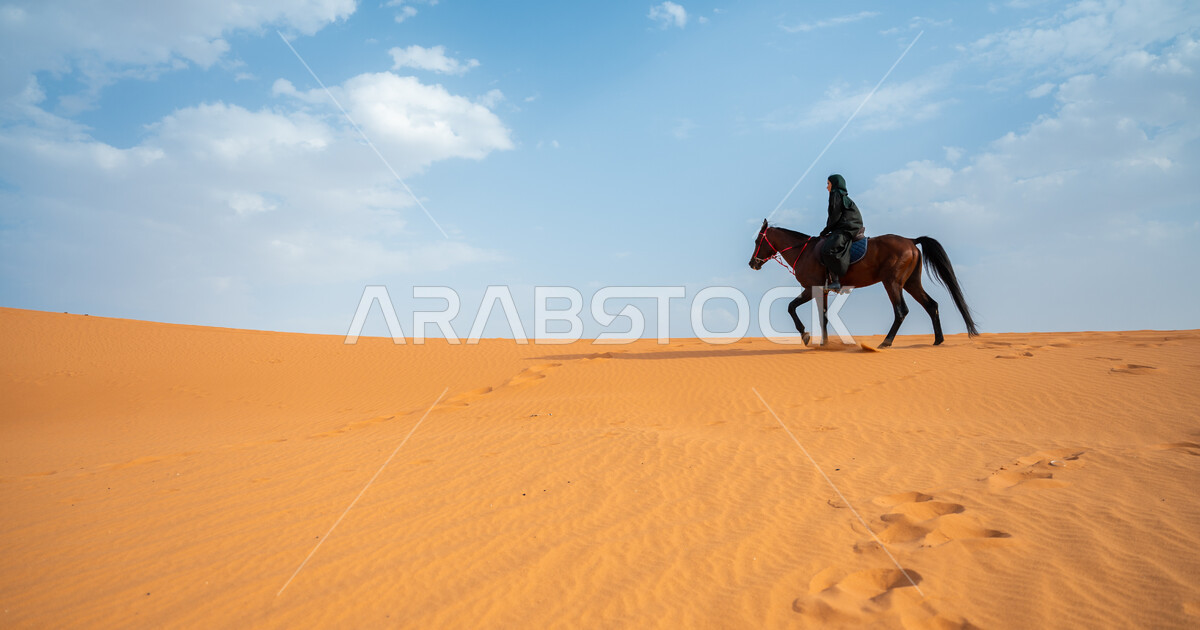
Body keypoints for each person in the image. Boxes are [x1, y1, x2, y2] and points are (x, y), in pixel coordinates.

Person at [819, 174, 864, 291]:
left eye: (828, 184)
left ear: (834, 185)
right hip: (847, 226)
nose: (826, 187)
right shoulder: (839, 196)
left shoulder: (836, 195)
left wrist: (825, 231)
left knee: (827, 249)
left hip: (848, 227)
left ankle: (836, 282)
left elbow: (835, 217)